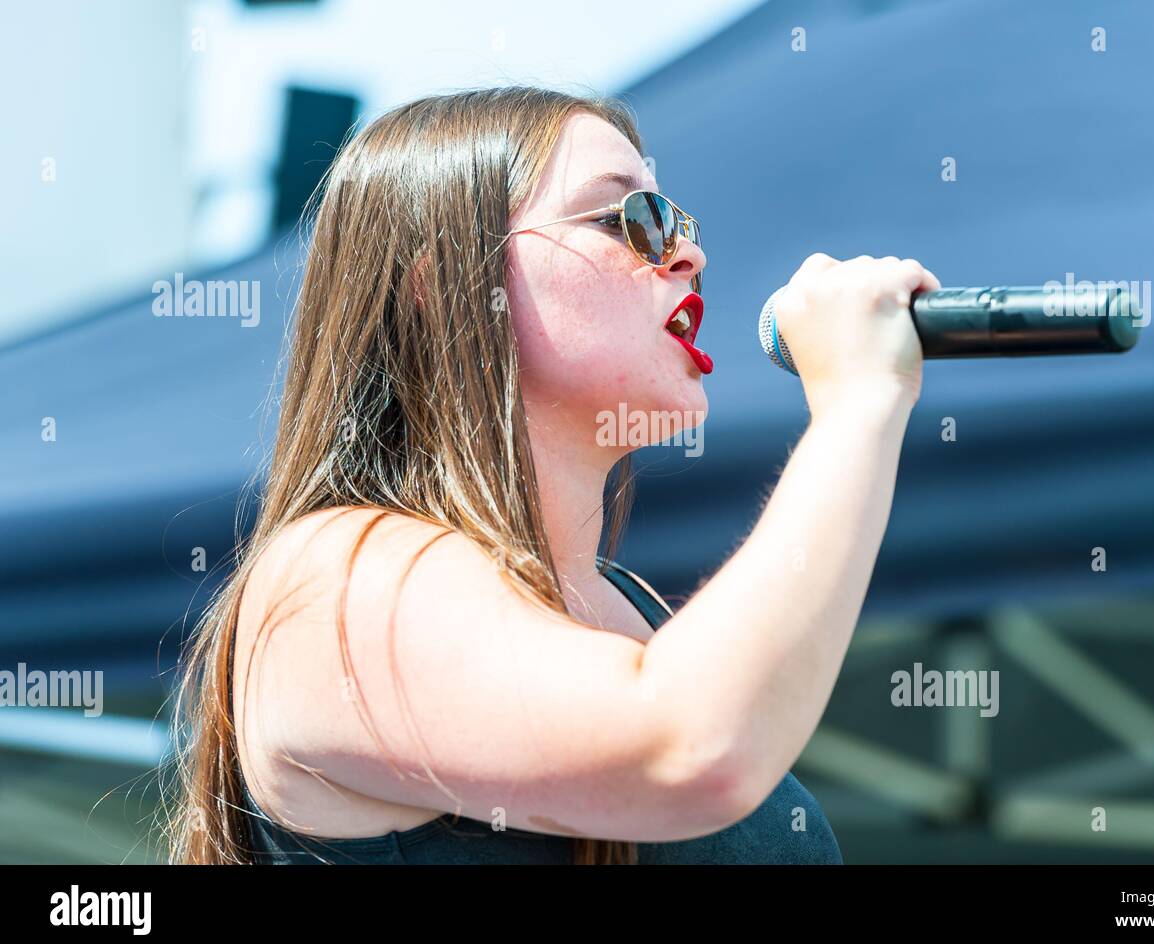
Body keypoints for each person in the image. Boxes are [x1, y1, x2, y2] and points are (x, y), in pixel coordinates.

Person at [164, 86, 938, 864]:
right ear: (443, 288)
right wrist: (857, 402)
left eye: (678, 223)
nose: (688, 254)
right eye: (628, 220)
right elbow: (689, 751)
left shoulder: (629, 608)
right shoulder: (328, 585)